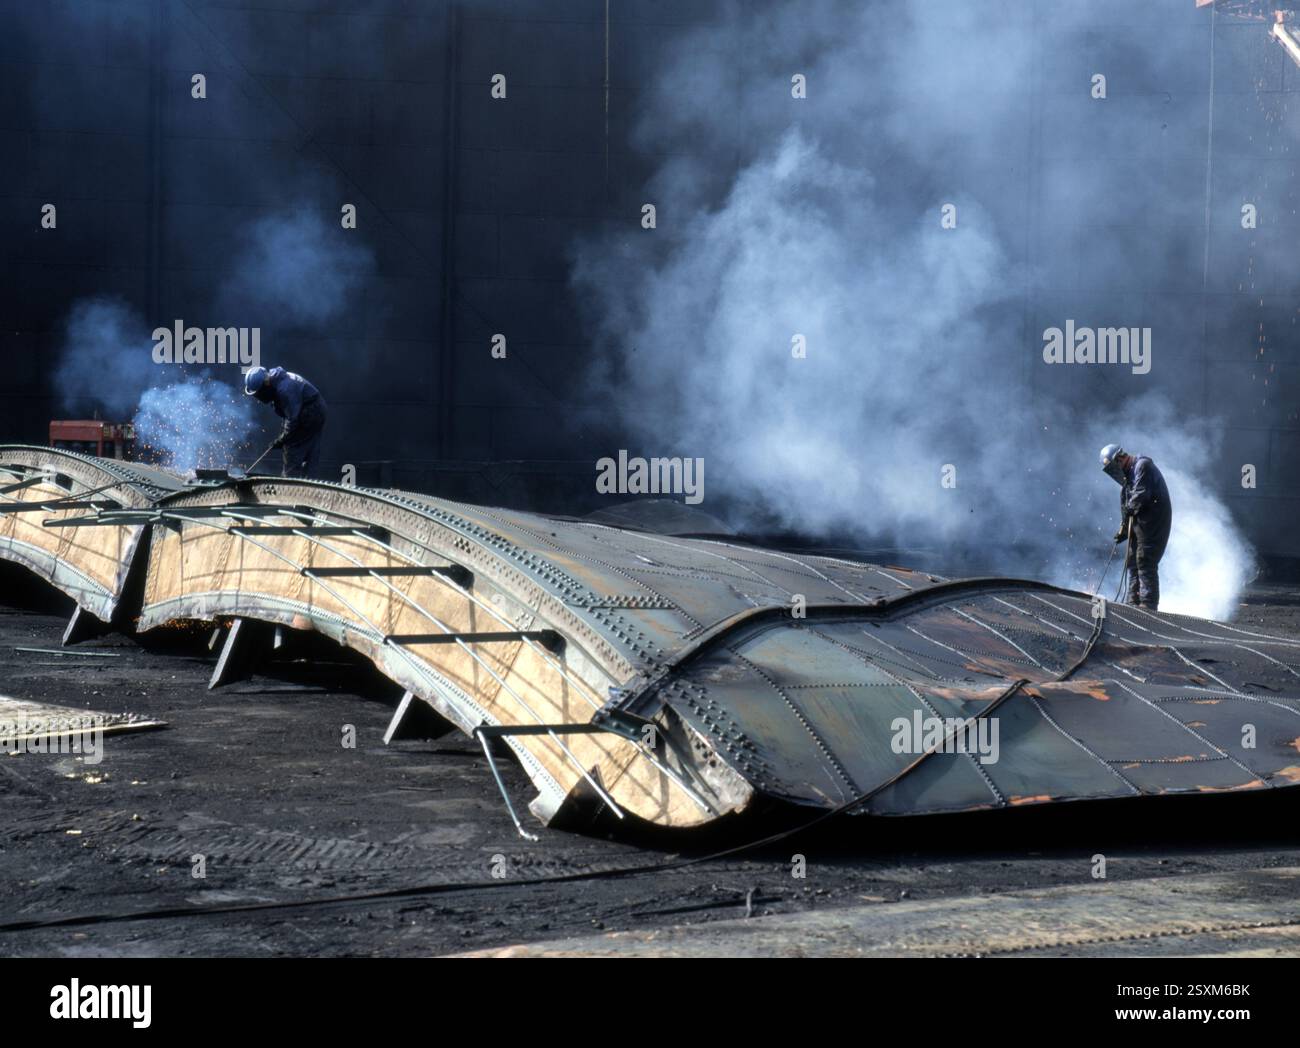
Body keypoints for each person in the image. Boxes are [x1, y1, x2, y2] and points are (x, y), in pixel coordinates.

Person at [1099, 444, 1171, 610]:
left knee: (1145, 559)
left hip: (1153, 521)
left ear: (1120, 459)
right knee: (1132, 560)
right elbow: (1127, 506)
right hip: (1140, 522)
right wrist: (1124, 530)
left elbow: (1140, 495)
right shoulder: (1128, 480)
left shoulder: (1142, 466)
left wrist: (1130, 511)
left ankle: (1148, 604)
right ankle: (1132, 602)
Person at [243, 366, 328, 479]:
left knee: (292, 450)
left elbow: (293, 419)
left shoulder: (285, 388)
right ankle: (310, 483)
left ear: (266, 383)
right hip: (315, 410)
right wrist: (282, 437)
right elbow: (288, 414)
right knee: (310, 453)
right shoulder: (278, 381)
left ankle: (290, 485)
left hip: (311, 414)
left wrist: (282, 440)